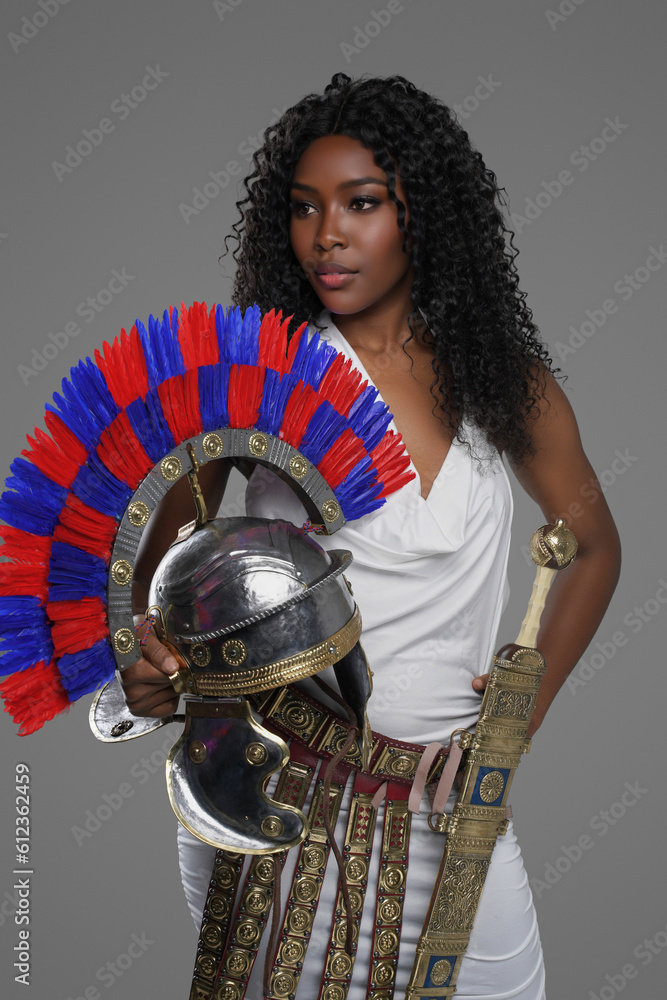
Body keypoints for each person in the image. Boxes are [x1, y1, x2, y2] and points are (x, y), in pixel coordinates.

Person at [121, 73, 621, 999]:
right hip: (276, 789)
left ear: (420, 214)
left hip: (446, 807)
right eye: (305, 208)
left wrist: (514, 724)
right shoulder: (255, 375)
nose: (327, 235)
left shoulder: (502, 383)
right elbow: (160, 565)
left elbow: (593, 546)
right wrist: (146, 657)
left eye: (361, 204)